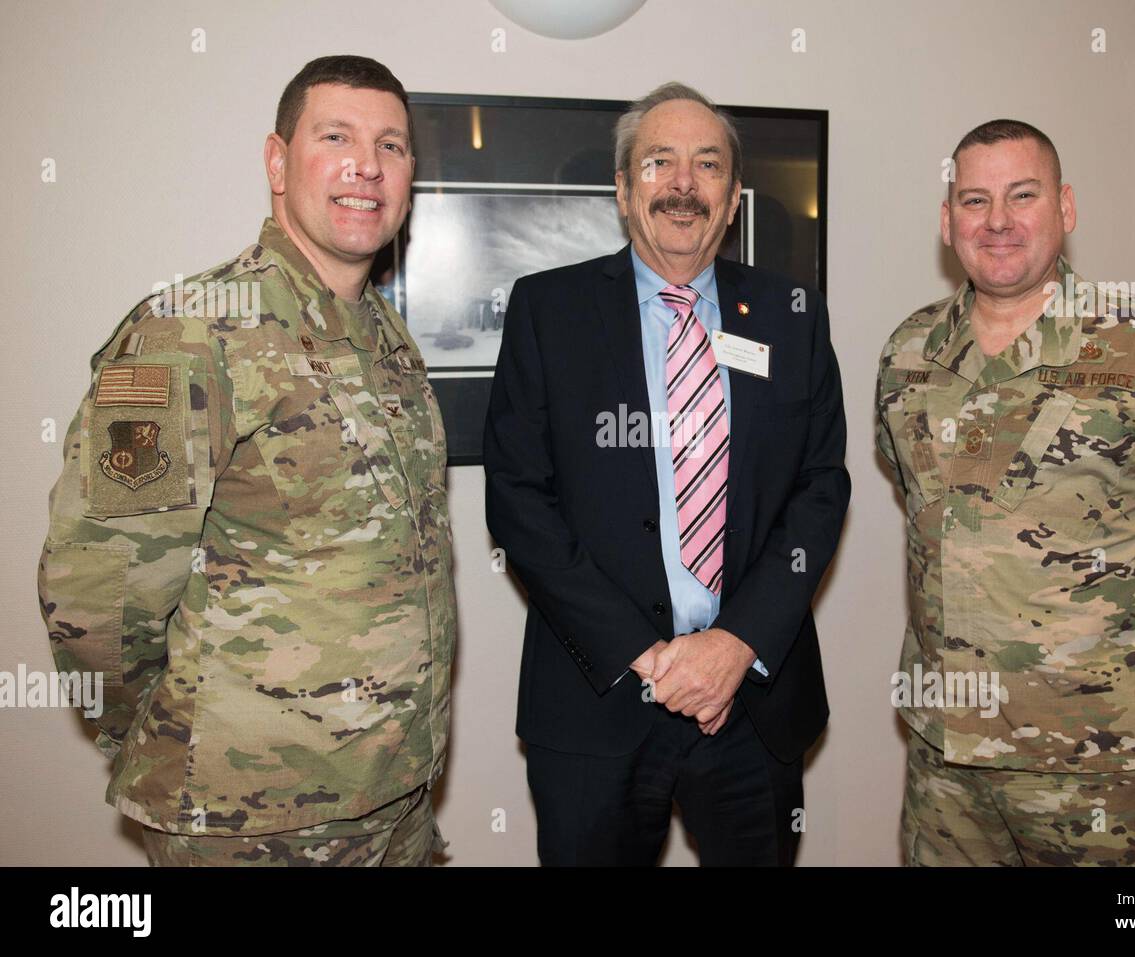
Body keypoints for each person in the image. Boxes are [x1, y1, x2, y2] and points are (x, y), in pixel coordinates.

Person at [37, 55, 456, 866]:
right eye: (336, 136)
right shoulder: (189, 332)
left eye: (392, 146)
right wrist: (150, 732)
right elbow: (97, 588)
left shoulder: (389, 343)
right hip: (250, 824)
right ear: (277, 160)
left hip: (394, 800)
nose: (366, 165)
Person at [875, 119, 1135, 866]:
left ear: (1066, 208)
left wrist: (1124, 645)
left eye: (1023, 195)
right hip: (949, 761)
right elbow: (926, 505)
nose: (997, 222)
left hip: (1103, 763)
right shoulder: (908, 353)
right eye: (974, 200)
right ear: (947, 218)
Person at [483, 81, 850, 866]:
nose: (684, 184)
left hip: (751, 705)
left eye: (707, 165)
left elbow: (822, 486)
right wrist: (648, 655)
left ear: (733, 196)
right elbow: (517, 499)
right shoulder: (550, 311)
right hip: (597, 701)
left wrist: (733, 644)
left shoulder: (791, 312)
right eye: (659, 163)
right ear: (623, 190)